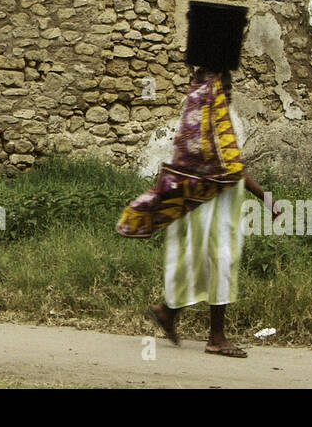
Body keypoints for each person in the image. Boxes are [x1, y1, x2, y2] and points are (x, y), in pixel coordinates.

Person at [116, 63, 277, 357]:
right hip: (212, 199)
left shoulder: (201, 111)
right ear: (213, 86)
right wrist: (263, 196)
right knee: (221, 260)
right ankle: (216, 337)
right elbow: (230, 167)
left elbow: (228, 164)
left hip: (211, 199)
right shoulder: (209, 114)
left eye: (229, 86)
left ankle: (167, 311)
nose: (228, 91)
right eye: (224, 85)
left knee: (200, 258)